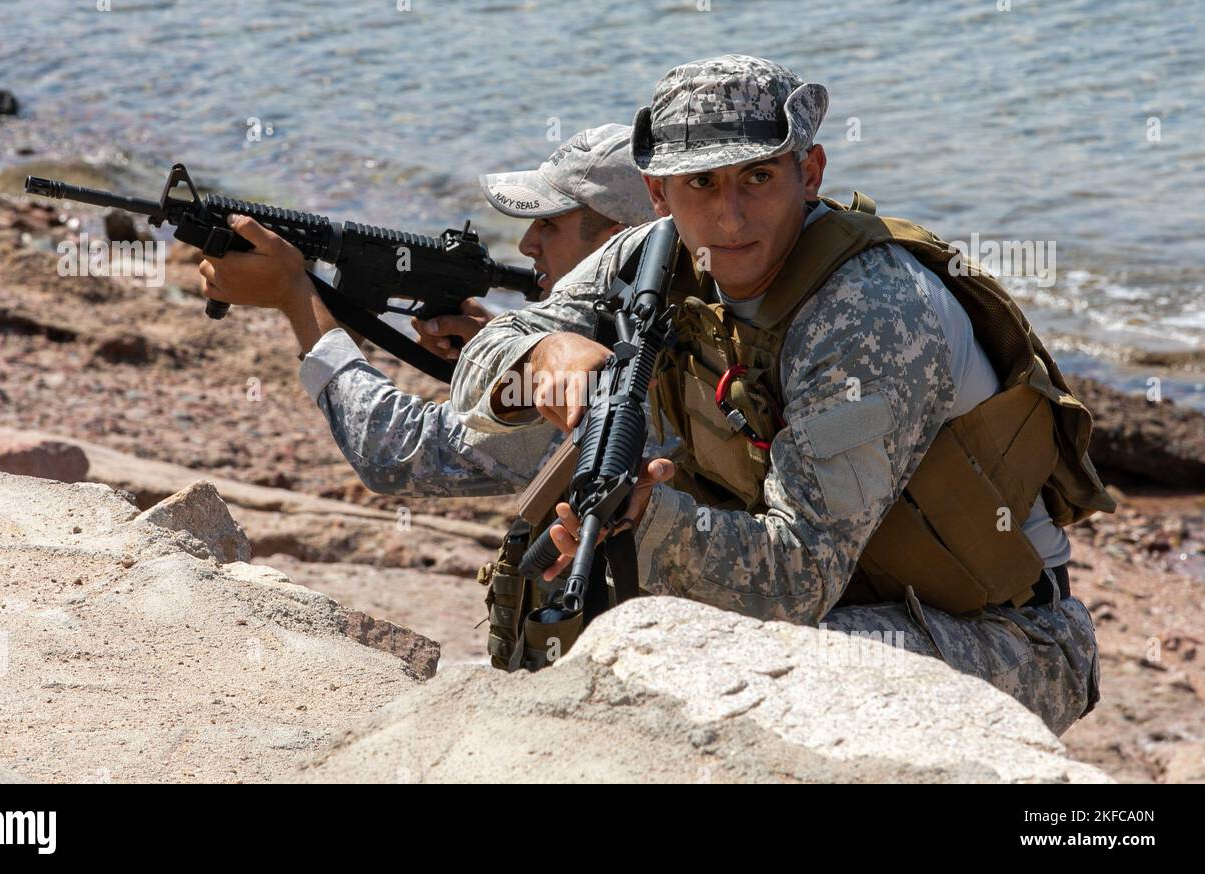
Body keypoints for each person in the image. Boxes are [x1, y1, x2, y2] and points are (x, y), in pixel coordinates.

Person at [448, 55, 1114, 735]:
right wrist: (540, 355)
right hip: (843, 598)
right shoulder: (652, 255)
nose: (729, 216)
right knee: (554, 598)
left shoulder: (869, 313)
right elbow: (479, 362)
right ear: (657, 193)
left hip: (997, 636)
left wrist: (645, 522)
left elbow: (796, 580)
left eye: (758, 177)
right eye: (700, 183)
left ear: (811, 173)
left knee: (735, 673)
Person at [196, 124, 658, 496]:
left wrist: (295, 296)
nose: (525, 243)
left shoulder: (605, 376)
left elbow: (397, 453)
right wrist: (503, 352)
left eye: (550, 224)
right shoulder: (658, 327)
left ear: (614, 241)